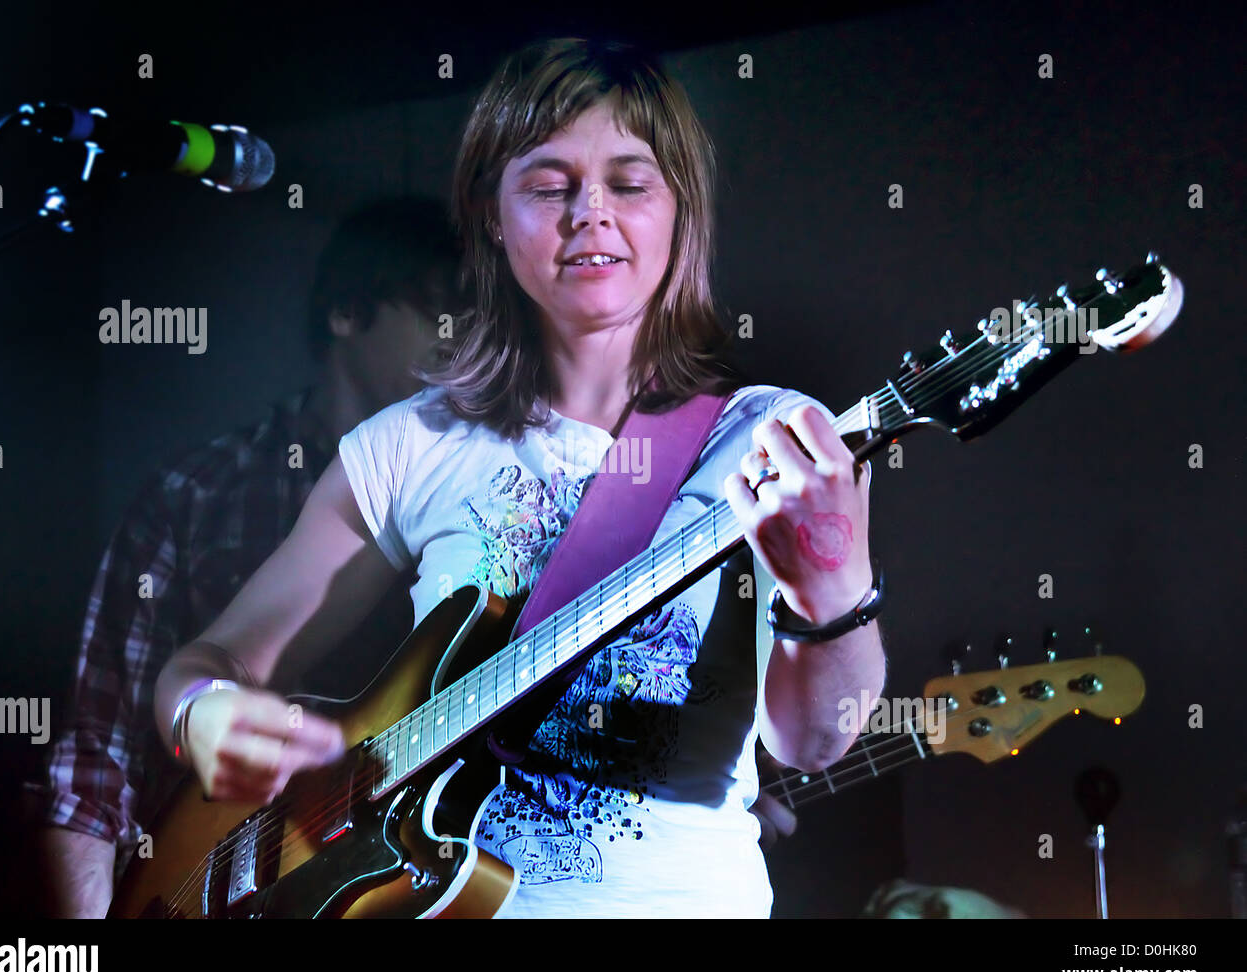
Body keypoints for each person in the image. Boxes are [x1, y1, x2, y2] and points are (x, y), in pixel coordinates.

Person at [154, 37, 887, 918]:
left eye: (630, 183)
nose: (590, 215)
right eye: (548, 186)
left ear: (680, 212)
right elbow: (210, 662)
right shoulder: (406, 445)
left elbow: (814, 741)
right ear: (493, 215)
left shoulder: (779, 439)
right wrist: (203, 712)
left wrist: (833, 589)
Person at [32, 198, 461, 917]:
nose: (461, 340)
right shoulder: (196, 494)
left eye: (477, 317)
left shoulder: (474, 486)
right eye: (438, 311)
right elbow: (94, 762)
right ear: (348, 314)